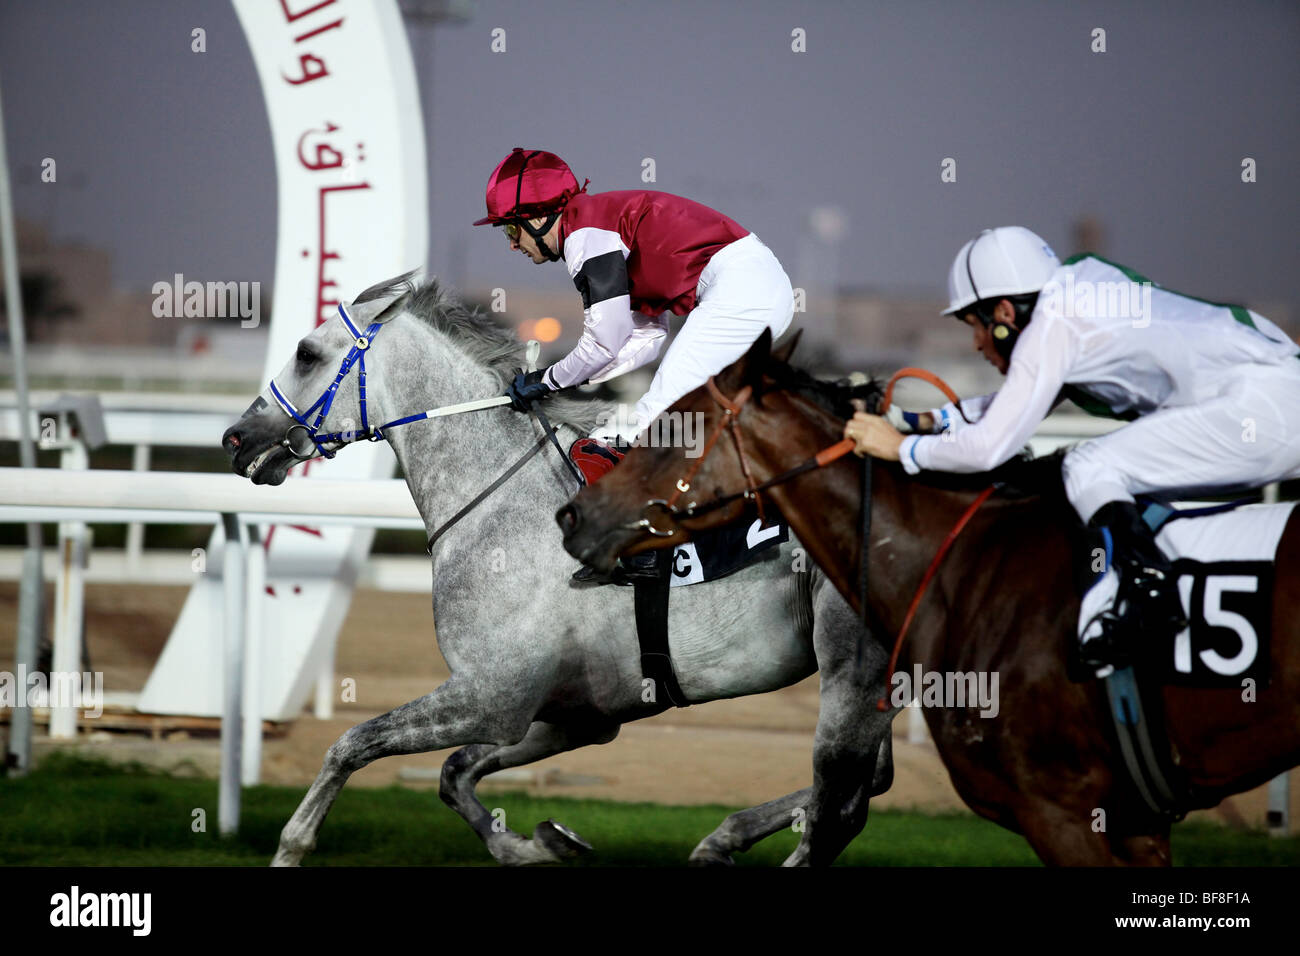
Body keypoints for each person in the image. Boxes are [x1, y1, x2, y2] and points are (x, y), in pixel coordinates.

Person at [844, 225, 1300, 672]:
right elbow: (1017, 405)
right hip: (1271, 396)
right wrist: (926, 422)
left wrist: (901, 448)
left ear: (1003, 313)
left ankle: (1149, 595)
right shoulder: (1076, 294)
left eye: (974, 325)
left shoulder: (1053, 326)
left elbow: (988, 451)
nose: (976, 343)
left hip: (1261, 410)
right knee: (1103, 472)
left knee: (1089, 466)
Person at [474, 147, 795, 580]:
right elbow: (643, 339)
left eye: (511, 229)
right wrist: (562, 382)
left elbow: (604, 343)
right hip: (752, 285)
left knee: (645, 422)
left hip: (742, 288)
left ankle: (636, 544)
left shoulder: (585, 235)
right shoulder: (599, 226)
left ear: (539, 217)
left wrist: (546, 381)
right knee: (666, 420)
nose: (512, 244)